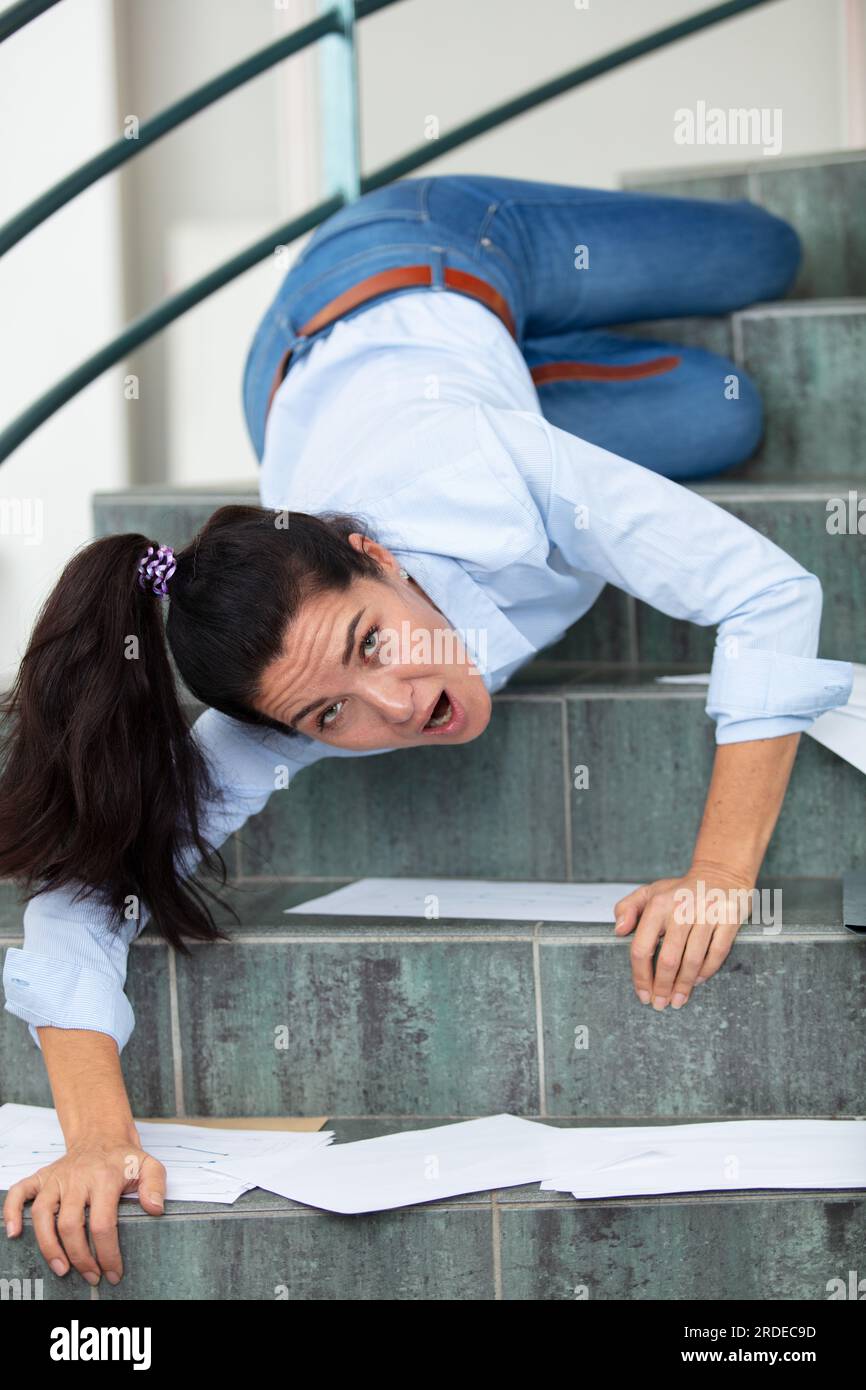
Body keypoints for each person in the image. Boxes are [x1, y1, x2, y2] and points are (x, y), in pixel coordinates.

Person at [0, 175, 853, 1285]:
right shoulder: (283, 699)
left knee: (765, 253)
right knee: (723, 412)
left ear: (378, 553)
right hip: (333, 384)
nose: (397, 706)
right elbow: (85, 892)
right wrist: (98, 1137)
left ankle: (510, 341)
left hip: (421, 253)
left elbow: (767, 594)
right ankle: (517, 372)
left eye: (370, 641)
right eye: (327, 714)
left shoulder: (490, 475)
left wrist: (716, 872)